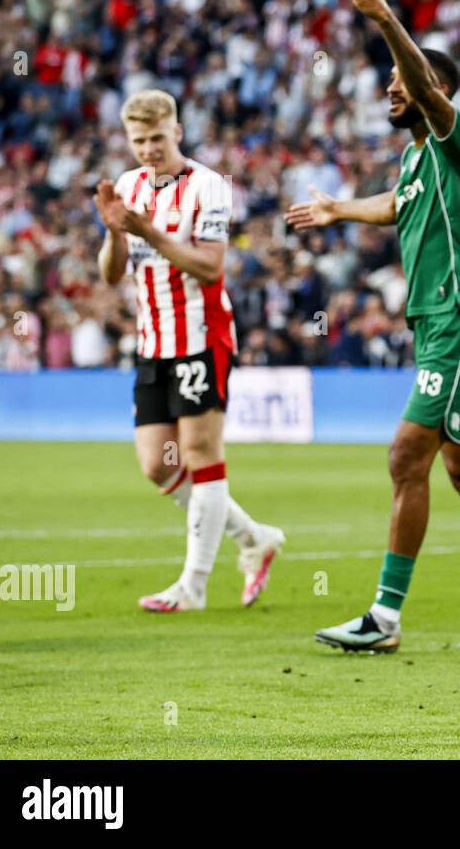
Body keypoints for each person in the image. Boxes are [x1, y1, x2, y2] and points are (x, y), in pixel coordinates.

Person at [288, 0, 460, 652]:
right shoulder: (413, 164)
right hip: (442, 323)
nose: (389, 89)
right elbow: (396, 204)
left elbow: (426, 89)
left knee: (408, 456)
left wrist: (382, 18)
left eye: (400, 82)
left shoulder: (457, 140)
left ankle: (383, 618)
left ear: (433, 92)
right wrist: (340, 208)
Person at [94, 89, 284, 613]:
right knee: (158, 465)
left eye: (157, 138)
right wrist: (114, 233)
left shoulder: (209, 187)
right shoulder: (129, 186)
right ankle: (254, 537)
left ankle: (193, 587)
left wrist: (146, 230)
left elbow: (210, 268)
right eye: (139, 141)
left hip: (201, 339)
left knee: (201, 456)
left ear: (176, 131)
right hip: (152, 342)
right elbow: (112, 274)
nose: (149, 149)